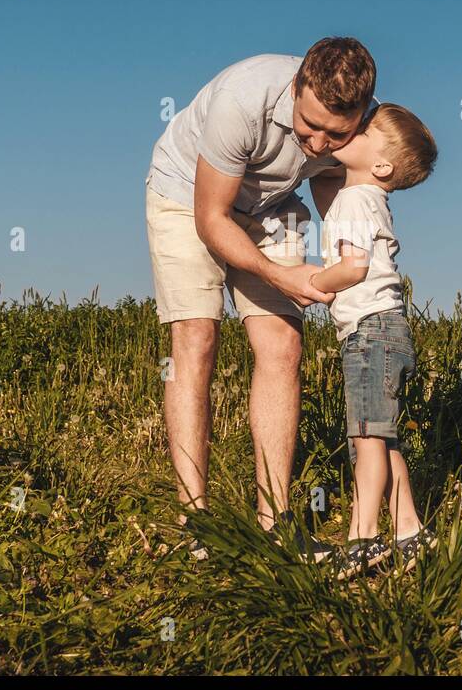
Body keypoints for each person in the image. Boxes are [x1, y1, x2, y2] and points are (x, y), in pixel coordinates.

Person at [144, 37, 377, 561]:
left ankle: (275, 524)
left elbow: (336, 183)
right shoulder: (242, 99)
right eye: (309, 125)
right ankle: (195, 522)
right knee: (197, 336)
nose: (317, 143)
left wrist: (352, 254)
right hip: (189, 195)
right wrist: (278, 275)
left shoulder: (364, 125)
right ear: (296, 86)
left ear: (361, 115)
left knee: (283, 348)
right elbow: (211, 219)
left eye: (335, 133)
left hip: (273, 203)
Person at [310, 103, 439, 577]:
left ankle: (362, 540)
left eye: (364, 130)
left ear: (382, 165)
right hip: (388, 328)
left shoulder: (353, 200)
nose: (351, 131)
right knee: (384, 439)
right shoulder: (369, 199)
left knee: (365, 438)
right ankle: (410, 531)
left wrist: (313, 285)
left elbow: (354, 268)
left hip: (369, 331)